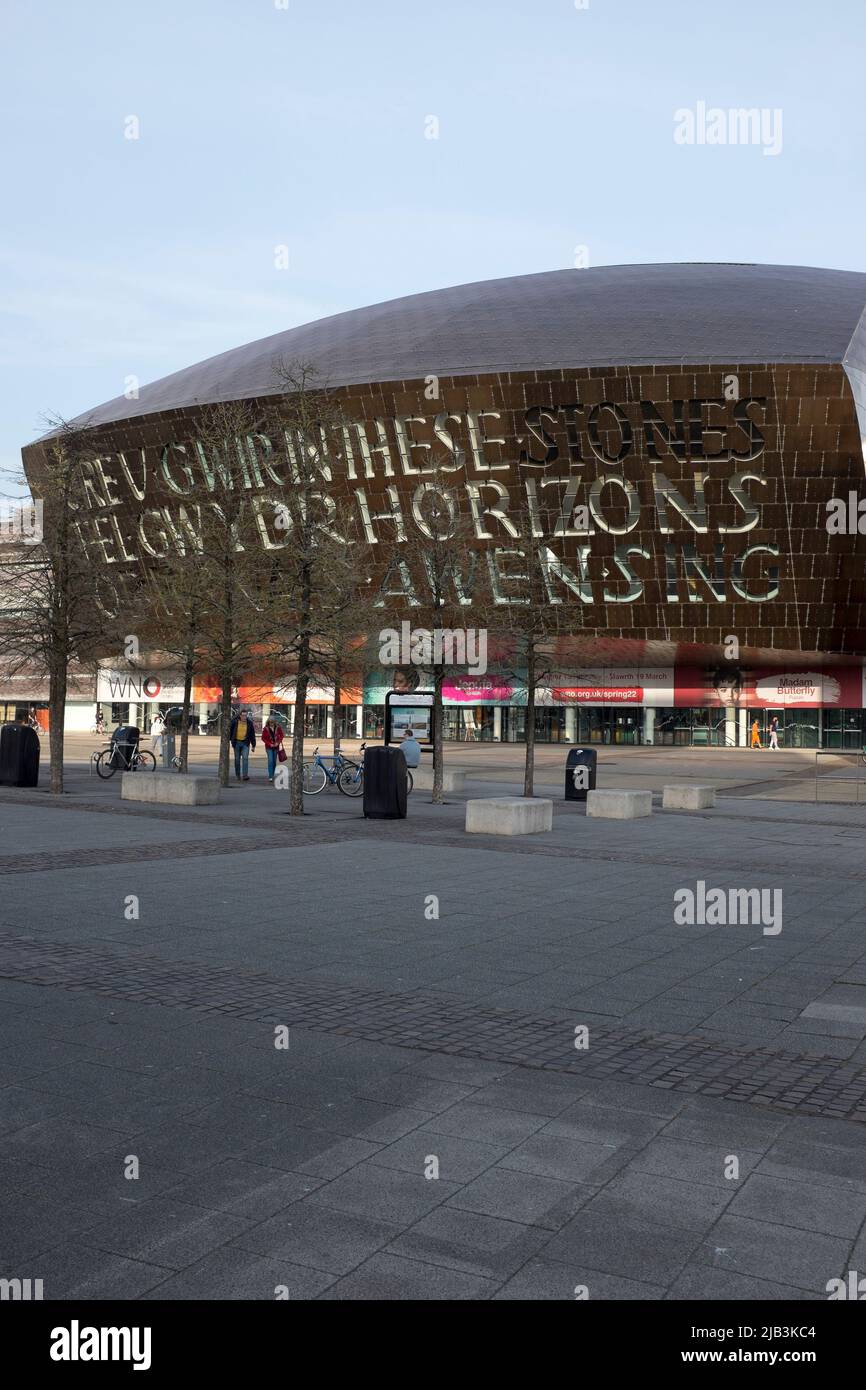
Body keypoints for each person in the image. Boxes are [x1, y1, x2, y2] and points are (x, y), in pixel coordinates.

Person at [229, 708, 256, 780]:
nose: (244, 717)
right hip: (237, 743)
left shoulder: (249, 723)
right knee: (237, 759)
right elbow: (230, 732)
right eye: (243, 715)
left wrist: (253, 745)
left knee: (245, 758)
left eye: (246, 715)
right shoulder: (235, 722)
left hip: (245, 743)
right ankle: (238, 774)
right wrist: (230, 740)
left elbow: (252, 734)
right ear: (240, 716)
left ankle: (245, 775)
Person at [261, 714, 285, 781]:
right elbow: (263, 738)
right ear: (268, 722)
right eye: (270, 722)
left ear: (274, 722)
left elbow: (282, 735)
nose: (271, 723)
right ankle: (270, 776)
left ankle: (272, 774)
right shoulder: (266, 729)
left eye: (272, 722)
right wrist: (269, 743)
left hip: (276, 747)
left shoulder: (278, 727)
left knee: (274, 761)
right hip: (269, 747)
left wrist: (278, 742)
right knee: (270, 761)